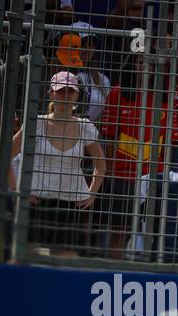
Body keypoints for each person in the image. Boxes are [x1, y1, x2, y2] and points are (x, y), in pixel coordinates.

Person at [9, 71, 107, 254]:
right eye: (61, 91)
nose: (66, 95)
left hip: (71, 203)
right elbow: (7, 156)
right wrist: (16, 191)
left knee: (67, 260)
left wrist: (91, 193)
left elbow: (100, 165)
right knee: (27, 259)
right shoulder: (35, 123)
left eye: (70, 91)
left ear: (77, 94)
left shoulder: (85, 126)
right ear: (51, 93)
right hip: (36, 200)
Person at [98, 54, 178, 255]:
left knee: (154, 232)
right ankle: (113, 273)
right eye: (140, 61)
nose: (145, 66)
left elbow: (172, 142)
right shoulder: (117, 94)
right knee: (120, 231)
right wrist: (109, 173)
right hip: (122, 176)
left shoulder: (167, 96)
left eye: (151, 62)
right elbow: (109, 137)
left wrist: (166, 174)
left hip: (155, 177)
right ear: (131, 64)